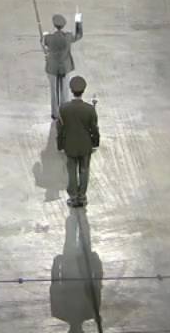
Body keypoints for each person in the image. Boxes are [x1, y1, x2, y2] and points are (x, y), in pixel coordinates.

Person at [57, 76, 99, 208]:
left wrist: (60, 145)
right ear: (83, 90)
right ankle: (82, 196)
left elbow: (60, 129)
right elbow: (94, 128)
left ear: (71, 90)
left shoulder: (63, 108)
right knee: (84, 170)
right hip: (85, 145)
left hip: (70, 145)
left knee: (71, 171)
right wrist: (95, 143)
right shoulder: (90, 109)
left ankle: (74, 197)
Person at [43, 12, 84, 120]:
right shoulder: (68, 36)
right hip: (65, 67)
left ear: (54, 25)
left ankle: (55, 113)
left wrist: (44, 35)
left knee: (54, 91)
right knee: (65, 90)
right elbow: (79, 35)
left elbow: (43, 43)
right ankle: (64, 112)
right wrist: (78, 21)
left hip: (52, 68)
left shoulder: (49, 38)